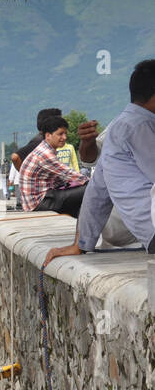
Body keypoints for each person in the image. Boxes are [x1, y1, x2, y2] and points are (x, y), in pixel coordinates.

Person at [45, 59, 155, 264]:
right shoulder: (139, 126)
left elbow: (96, 191)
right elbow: (91, 167)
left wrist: (81, 243)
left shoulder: (122, 125)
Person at [18, 116, 89, 216]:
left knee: (79, 193)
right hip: (39, 204)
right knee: (90, 188)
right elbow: (67, 173)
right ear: (48, 136)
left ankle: (80, 222)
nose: (64, 137)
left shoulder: (44, 149)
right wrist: (91, 181)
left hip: (37, 201)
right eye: (60, 134)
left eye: (65, 134)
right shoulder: (45, 154)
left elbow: (60, 179)